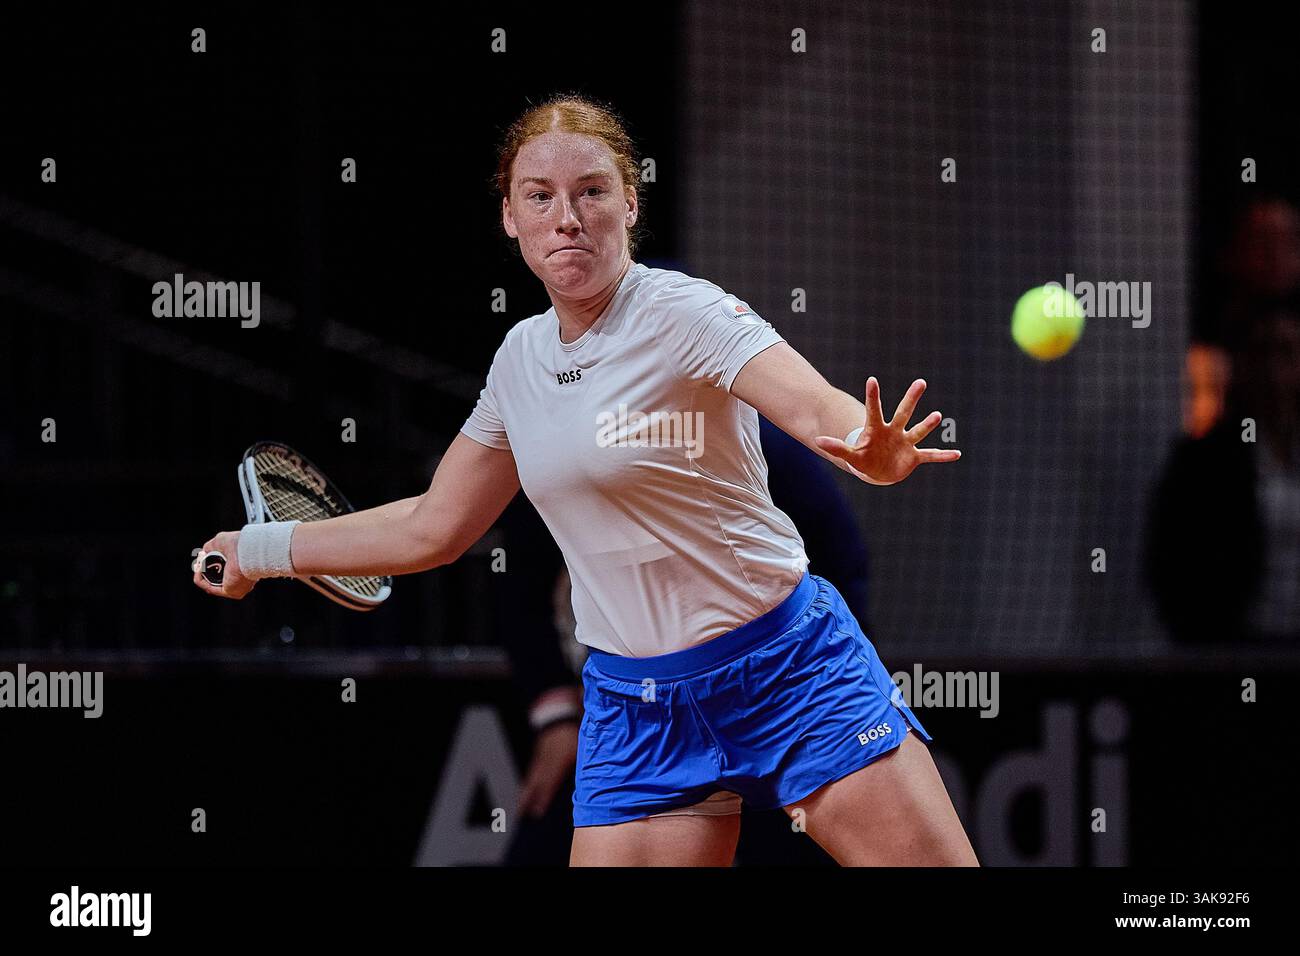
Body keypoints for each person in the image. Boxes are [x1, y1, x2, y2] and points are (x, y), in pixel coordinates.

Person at [193, 94, 977, 867]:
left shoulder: (686, 313)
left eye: (592, 191)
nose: (567, 216)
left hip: (788, 672)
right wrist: (257, 548)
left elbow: (816, 410)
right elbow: (432, 527)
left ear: (629, 205)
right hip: (639, 711)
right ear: (511, 218)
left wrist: (864, 446)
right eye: (541, 196)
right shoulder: (519, 362)